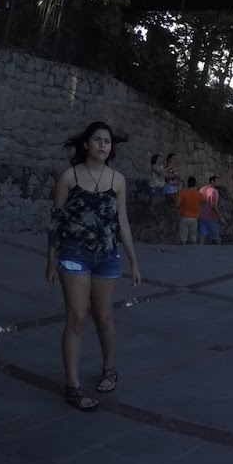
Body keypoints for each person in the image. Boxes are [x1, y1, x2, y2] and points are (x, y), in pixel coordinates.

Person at [46, 121, 141, 411]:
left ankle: (109, 369)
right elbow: (56, 222)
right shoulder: (69, 176)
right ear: (86, 144)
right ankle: (73, 387)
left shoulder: (118, 181)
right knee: (76, 317)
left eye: (107, 141)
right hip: (73, 254)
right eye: (97, 140)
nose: (103, 145)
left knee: (103, 316)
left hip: (107, 257)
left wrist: (134, 261)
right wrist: (50, 260)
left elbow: (122, 222)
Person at [176, 176, 203, 245]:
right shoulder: (198, 194)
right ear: (195, 184)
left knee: (183, 239)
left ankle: (183, 247)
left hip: (184, 217)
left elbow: (177, 205)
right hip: (194, 218)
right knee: (193, 238)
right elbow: (205, 202)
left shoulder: (183, 193)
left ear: (187, 183)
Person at [198, 174, 222, 244]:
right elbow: (213, 205)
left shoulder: (201, 190)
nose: (218, 183)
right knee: (216, 237)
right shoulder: (214, 191)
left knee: (202, 236)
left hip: (201, 216)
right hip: (211, 216)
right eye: (216, 181)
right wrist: (220, 217)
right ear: (212, 181)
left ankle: (199, 249)